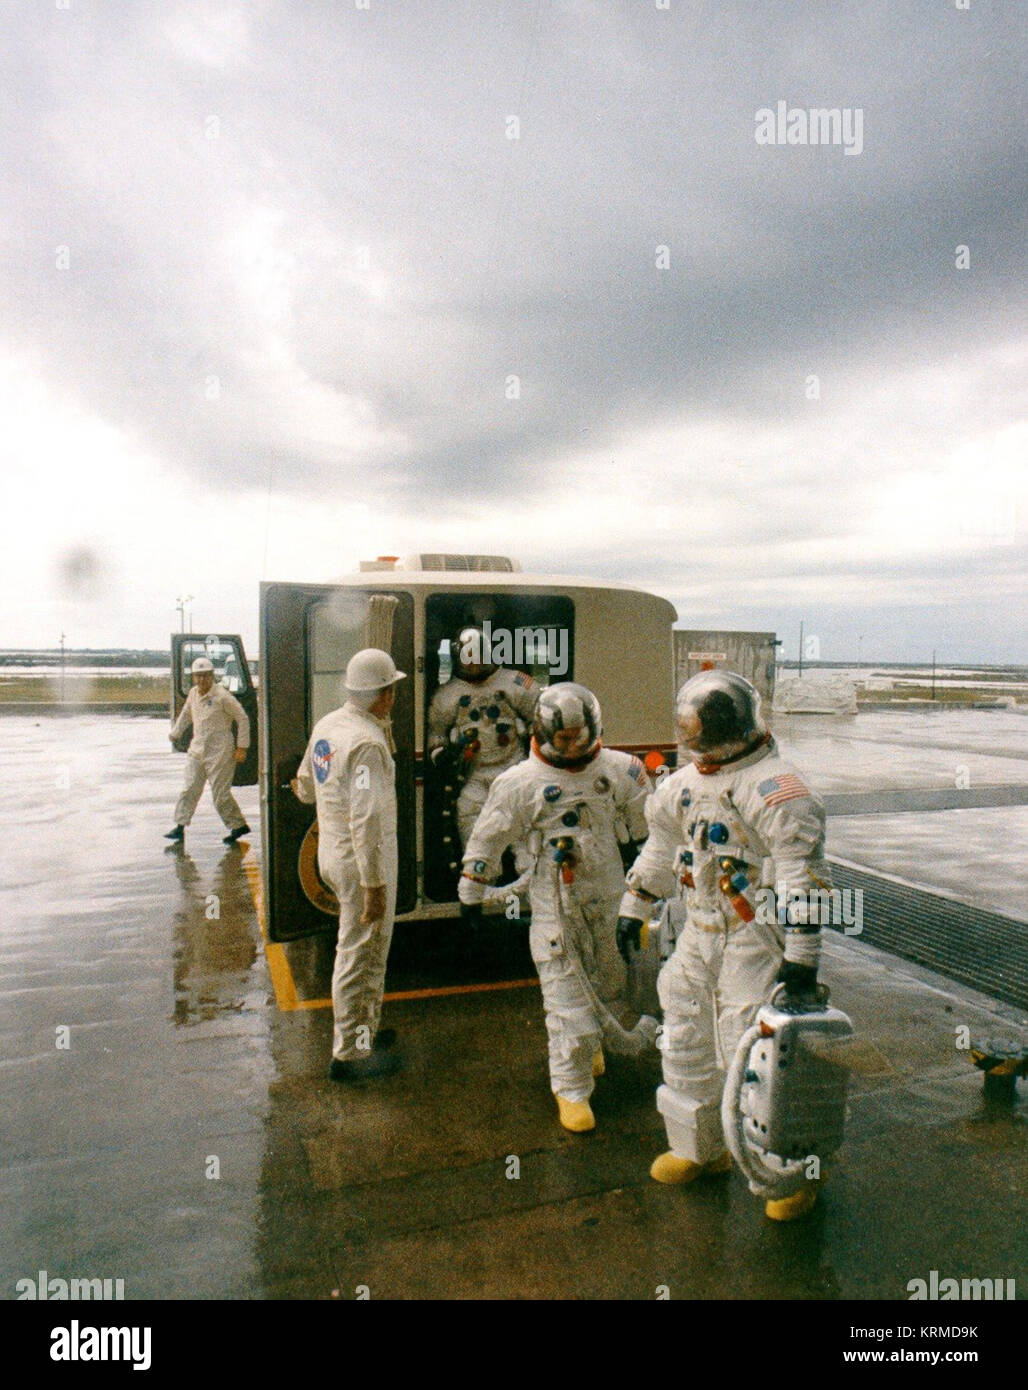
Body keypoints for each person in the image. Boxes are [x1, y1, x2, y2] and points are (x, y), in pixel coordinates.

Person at [616, 670, 833, 1221]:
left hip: (755, 933)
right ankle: (698, 1147)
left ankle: (787, 1172)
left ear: (735, 726)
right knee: (684, 1027)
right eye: (693, 735)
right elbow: (663, 847)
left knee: (755, 1047)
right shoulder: (682, 784)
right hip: (699, 927)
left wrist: (802, 958)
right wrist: (635, 904)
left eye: (706, 735)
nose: (699, 746)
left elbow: (800, 878)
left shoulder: (777, 789)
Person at [458, 682, 658, 1133]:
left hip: (609, 899)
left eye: (577, 736)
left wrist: (644, 892)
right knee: (568, 1001)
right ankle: (571, 1090)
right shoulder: (519, 783)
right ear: (544, 733)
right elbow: (488, 838)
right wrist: (472, 892)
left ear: (594, 728)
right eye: (562, 738)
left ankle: (596, 1045)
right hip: (554, 907)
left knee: (610, 982)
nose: (571, 746)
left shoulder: (622, 770)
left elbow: (651, 834)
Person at [291, 648, 405, 1082]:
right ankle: (352, 1056)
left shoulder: (329, 726)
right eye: (392, 689)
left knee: (360, 950)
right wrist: (374, 885)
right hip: (362, 865)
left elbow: (305, 786)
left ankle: (364, 1034)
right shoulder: (368, 744)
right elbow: (369, 819)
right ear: (384, 695)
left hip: (332, 855)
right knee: (363, 954)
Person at [426, 626, 540, 849]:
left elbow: (540, 715)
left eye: (478, 660)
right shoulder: (447, 695)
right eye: (468, 661)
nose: (474, 666)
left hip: (513, 768)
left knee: (522, 833)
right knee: (473, 833)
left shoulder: (517, 682)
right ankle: (479, 878)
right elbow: (436, 734)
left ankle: (527, 875)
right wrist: (443, 755)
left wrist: (537, 748)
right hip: (473, 775)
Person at [165, 657, 251, 846]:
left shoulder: (222, 696)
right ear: (193, 677)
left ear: (212, 676)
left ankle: (238, 825)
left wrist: (242, 747)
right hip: (197, 750)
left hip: (220, 753)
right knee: (189, 788)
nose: (202, 680)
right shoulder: (193, 694)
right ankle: (179, 827)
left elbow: (242, 718)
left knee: (220, 795)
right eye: (198, 676)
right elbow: (186, 715)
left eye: (205, 676)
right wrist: (175, 733)